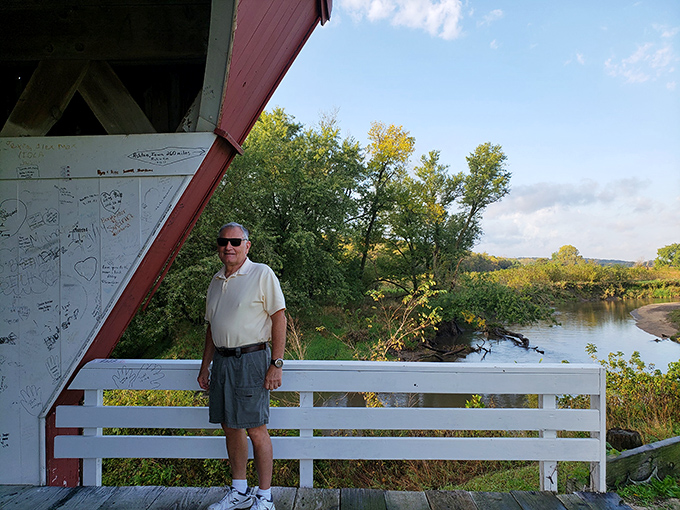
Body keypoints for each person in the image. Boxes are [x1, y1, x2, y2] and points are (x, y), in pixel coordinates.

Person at [198, 222, 286, 510]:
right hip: (222, 362)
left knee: (255, 429)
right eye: (223, 242)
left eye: (235, 241)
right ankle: (239, 492)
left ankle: (265, 497)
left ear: (247, 245)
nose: (229, 247)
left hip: (251, 360)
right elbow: (212, 328)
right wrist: (205, 366)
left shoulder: (261, 273)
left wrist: (277, 363)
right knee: (230, 427)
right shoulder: (215, 281)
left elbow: (279, 319)